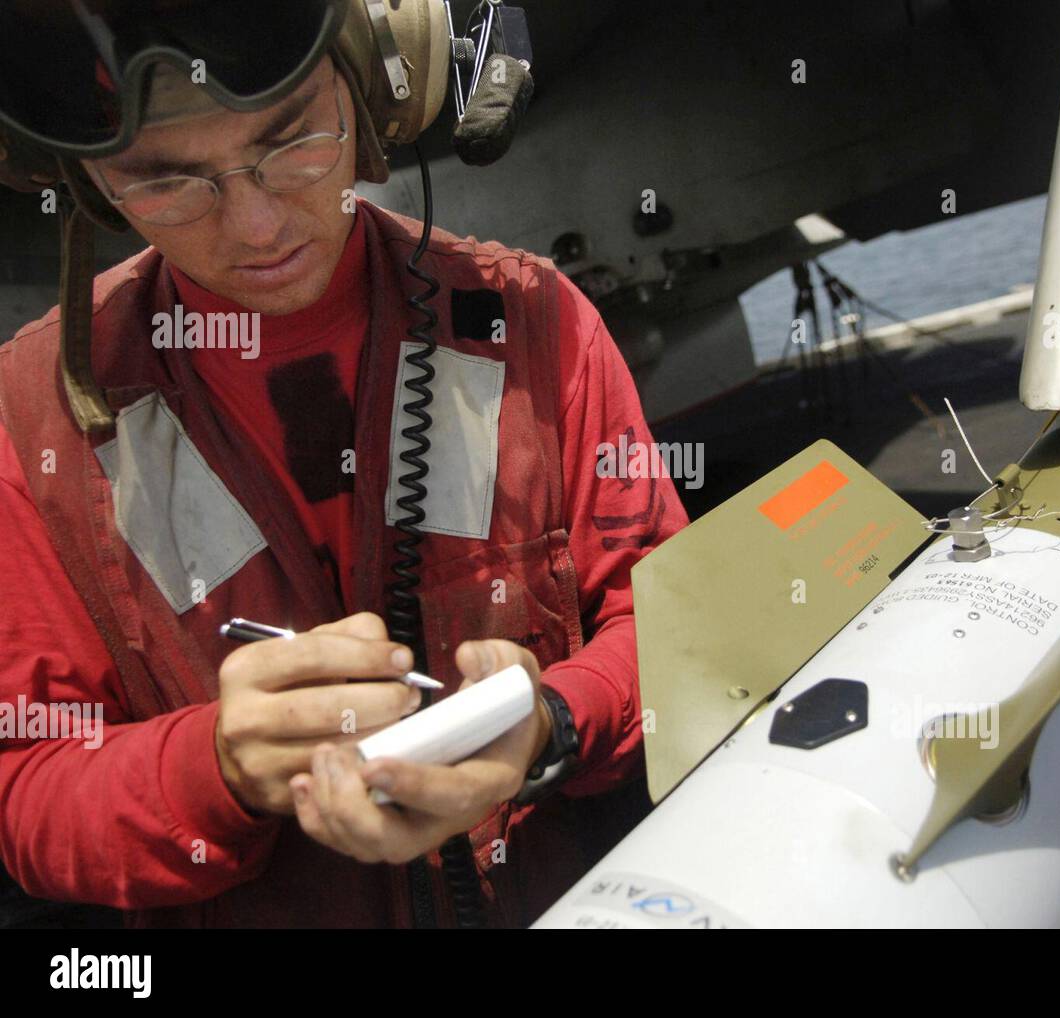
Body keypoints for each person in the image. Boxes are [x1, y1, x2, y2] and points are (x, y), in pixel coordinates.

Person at [0, 1, 687, 928]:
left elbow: (672, 629)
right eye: (165, 184)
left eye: (294, 142)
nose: (253, 226)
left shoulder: (537, 322)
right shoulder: (27, 415)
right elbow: (32, 783)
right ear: (83, 183)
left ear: (372, 93)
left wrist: (552, 724)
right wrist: (215, 770)